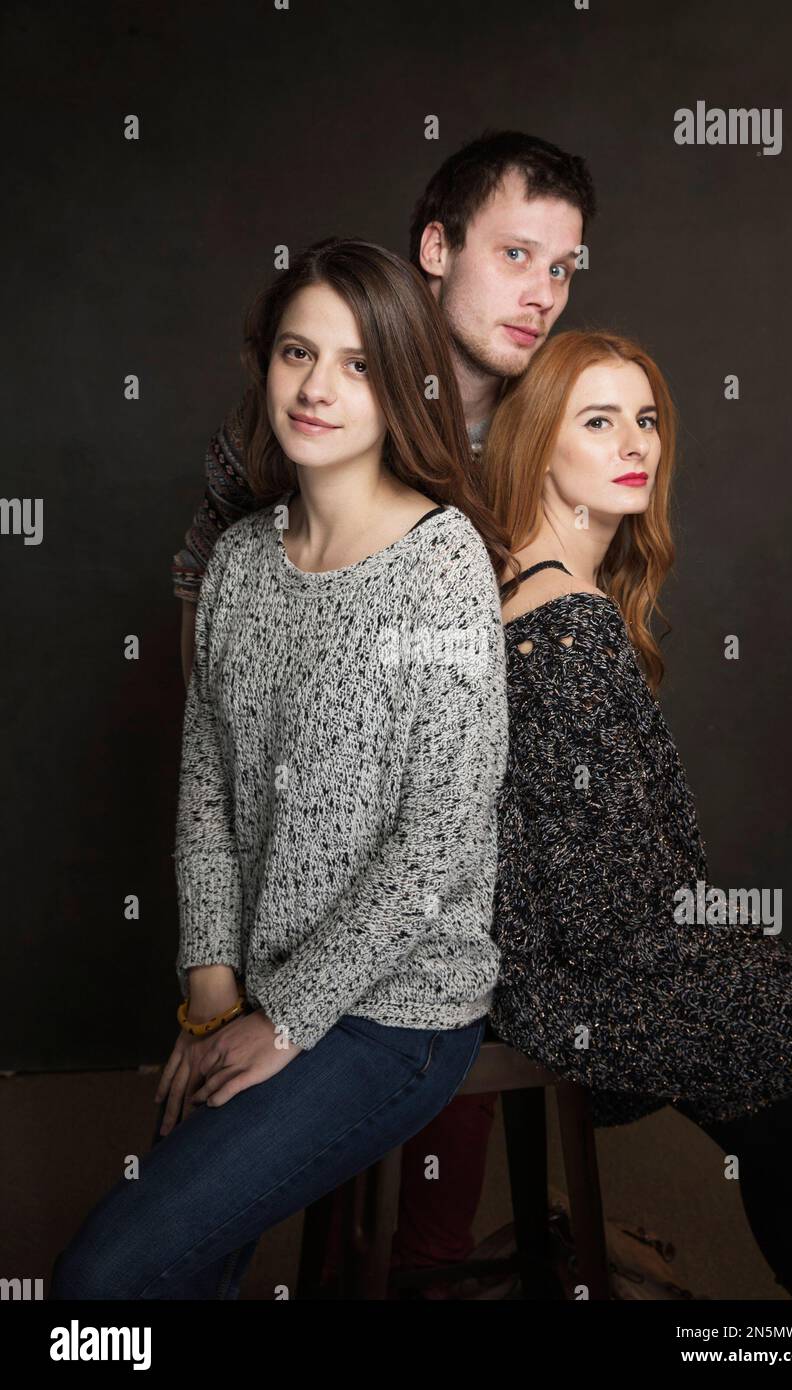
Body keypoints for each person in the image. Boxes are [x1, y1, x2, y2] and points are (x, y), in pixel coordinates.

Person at [170, 128, 596, 1295]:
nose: (540, 293)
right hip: (306, 840)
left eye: (562, 269)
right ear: (434, 251)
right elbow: (219, 627)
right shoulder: (316, 386)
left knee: (459, 923)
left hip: (467, 867)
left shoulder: (541, 430)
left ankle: (428, 1270)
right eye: (515, 255)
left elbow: (580, 660)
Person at [47, 238, 511, 1300]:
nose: (318, 388)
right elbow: (206, 782)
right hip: (256, 979)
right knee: (173, 1266)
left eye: (356, 364)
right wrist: (210, 987)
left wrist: (286, 1016)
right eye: (299, 352)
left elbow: (440, 835)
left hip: (395, 1010)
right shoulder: (243, 560)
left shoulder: (440, 570)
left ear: (401, 385)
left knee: (101, 1279)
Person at [483, 326, 792, 1301]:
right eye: (598, 420)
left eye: (645, 419)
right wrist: (737, 951)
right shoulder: (565, 626)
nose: (635, 444)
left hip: (584, 971)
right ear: (535, 445)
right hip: (600, 993)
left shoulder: (529, 592)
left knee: (778, 1125)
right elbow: (607, 912)